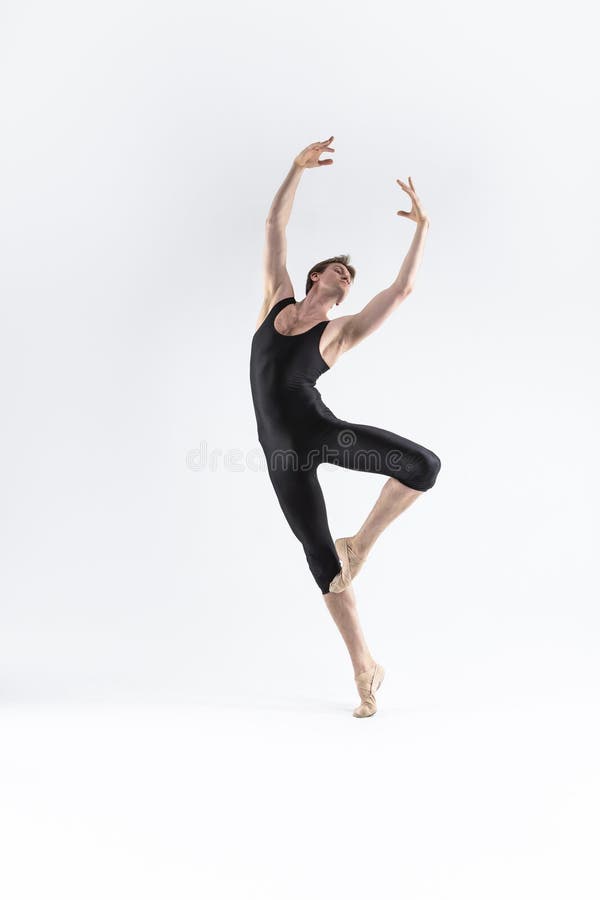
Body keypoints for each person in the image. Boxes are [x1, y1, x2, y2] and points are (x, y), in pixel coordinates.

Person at [249, 136, 441, 717]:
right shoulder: (274, 302)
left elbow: (402, 290)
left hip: (322, 435)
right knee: (318, 558)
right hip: (281, 455)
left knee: (423, 467)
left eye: (350, 279)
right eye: (338, 270)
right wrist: (295, 168)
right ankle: (365, 667)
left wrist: (422, 229)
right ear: (314, 278)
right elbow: (273, 224)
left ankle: (363, 541)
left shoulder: (340, 332)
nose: (345, 278)